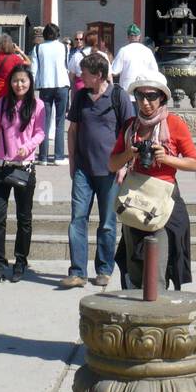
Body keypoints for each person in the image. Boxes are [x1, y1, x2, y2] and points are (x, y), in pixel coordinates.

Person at [109, 74, 196, 291]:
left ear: (162, 98)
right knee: (134, 268)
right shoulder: (131, 126)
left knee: (156, 269)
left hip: (163, 201)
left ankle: (156, 313)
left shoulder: (174, 123)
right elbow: (112, 164)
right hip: (135, 200)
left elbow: (194, 163)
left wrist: (166, 158)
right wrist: (129, 154)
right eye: (140, 96)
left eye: (151, 96)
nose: (145, 102)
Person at [61, 52, 134, 290]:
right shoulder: (81, 96)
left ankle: (104, 269)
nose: (81, 76)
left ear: (99, 75)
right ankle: (77, 272)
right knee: (77, 219)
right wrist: (72, 162)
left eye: (85, 73)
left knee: (107, 223)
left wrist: (124, 165)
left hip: (110, 170)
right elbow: (73, 131)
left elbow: (129, 132)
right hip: (83, 169)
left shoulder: (118, 96)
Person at [0, 64, 45, 284]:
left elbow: (40, 133)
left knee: (23, 218)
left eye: (23, 80)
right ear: (10, 83)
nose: (19, 84)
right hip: (0, 166)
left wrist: (27, 147)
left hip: (23, 167)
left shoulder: (38, 105)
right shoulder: (3, 103)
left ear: (30, 82)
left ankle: (20, 261)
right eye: (16, 80)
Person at [32, 23, 70, 165]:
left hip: (45, 86)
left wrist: (34, 86)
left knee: (44, 122)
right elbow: (66, 65)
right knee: (60, 122)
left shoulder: (38, 48)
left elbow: (33, 69)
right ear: (57, 34)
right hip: (61, 85)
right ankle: (59, 157)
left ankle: (43, 157)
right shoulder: (64, 47)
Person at [0, 33, 29, 119]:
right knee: (8, 117)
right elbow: (28, 62)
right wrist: (19, 51)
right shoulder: (14, 58)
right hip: (8, 90)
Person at [111, 25, 157, 90]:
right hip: (142, 91)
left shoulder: (123, 51)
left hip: (127, 91)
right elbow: (154, 72)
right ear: (139, 36)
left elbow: (114, 72)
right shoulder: (148, 51)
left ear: (128, 37)